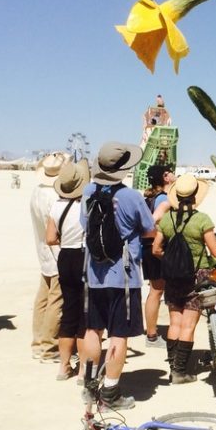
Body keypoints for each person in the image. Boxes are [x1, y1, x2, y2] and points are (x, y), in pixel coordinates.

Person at [79, 141, 154, 409]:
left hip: (93, 274)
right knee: (118, 334)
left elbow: (84, 225)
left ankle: (88, 385)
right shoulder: (131, 196)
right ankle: (110, 393)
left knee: (92, 329)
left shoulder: (88, 192)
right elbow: (149, 229)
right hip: (123, 276)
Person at [153, 173, 216, 383]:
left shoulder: (167, 219)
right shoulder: (202, 219)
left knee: (175, 322)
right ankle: (180, 372)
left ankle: (173, 366)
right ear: (195, 196)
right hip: (197, 275)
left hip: (173, 276)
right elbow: (215, 251)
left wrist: (173, 259)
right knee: (188, 325)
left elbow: (156, 249)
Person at [45, 160, 90, 381]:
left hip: (65, 256)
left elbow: (50, 238)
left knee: (69, 311)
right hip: (83, 256)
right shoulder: (86, 206)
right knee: (84, 314)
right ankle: (83, 368)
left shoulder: (56, 206)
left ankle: (63, 366)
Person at [30, 153, 67, 362]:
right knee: (56, 299)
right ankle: (49, 346)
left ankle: (38, 341)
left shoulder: (37, 192)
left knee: (43, 297)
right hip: (57, 252)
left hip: (43, 251)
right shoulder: (54, 196)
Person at [140, 164, 175, 348]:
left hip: (147, 248)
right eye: (171, 172)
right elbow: (151, 224)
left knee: (156, 290)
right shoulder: (164, 199)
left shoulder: (150, 197)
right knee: (157, 291)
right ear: (166, 177)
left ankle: (152, 333)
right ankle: (152, 336)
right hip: (157, 248)